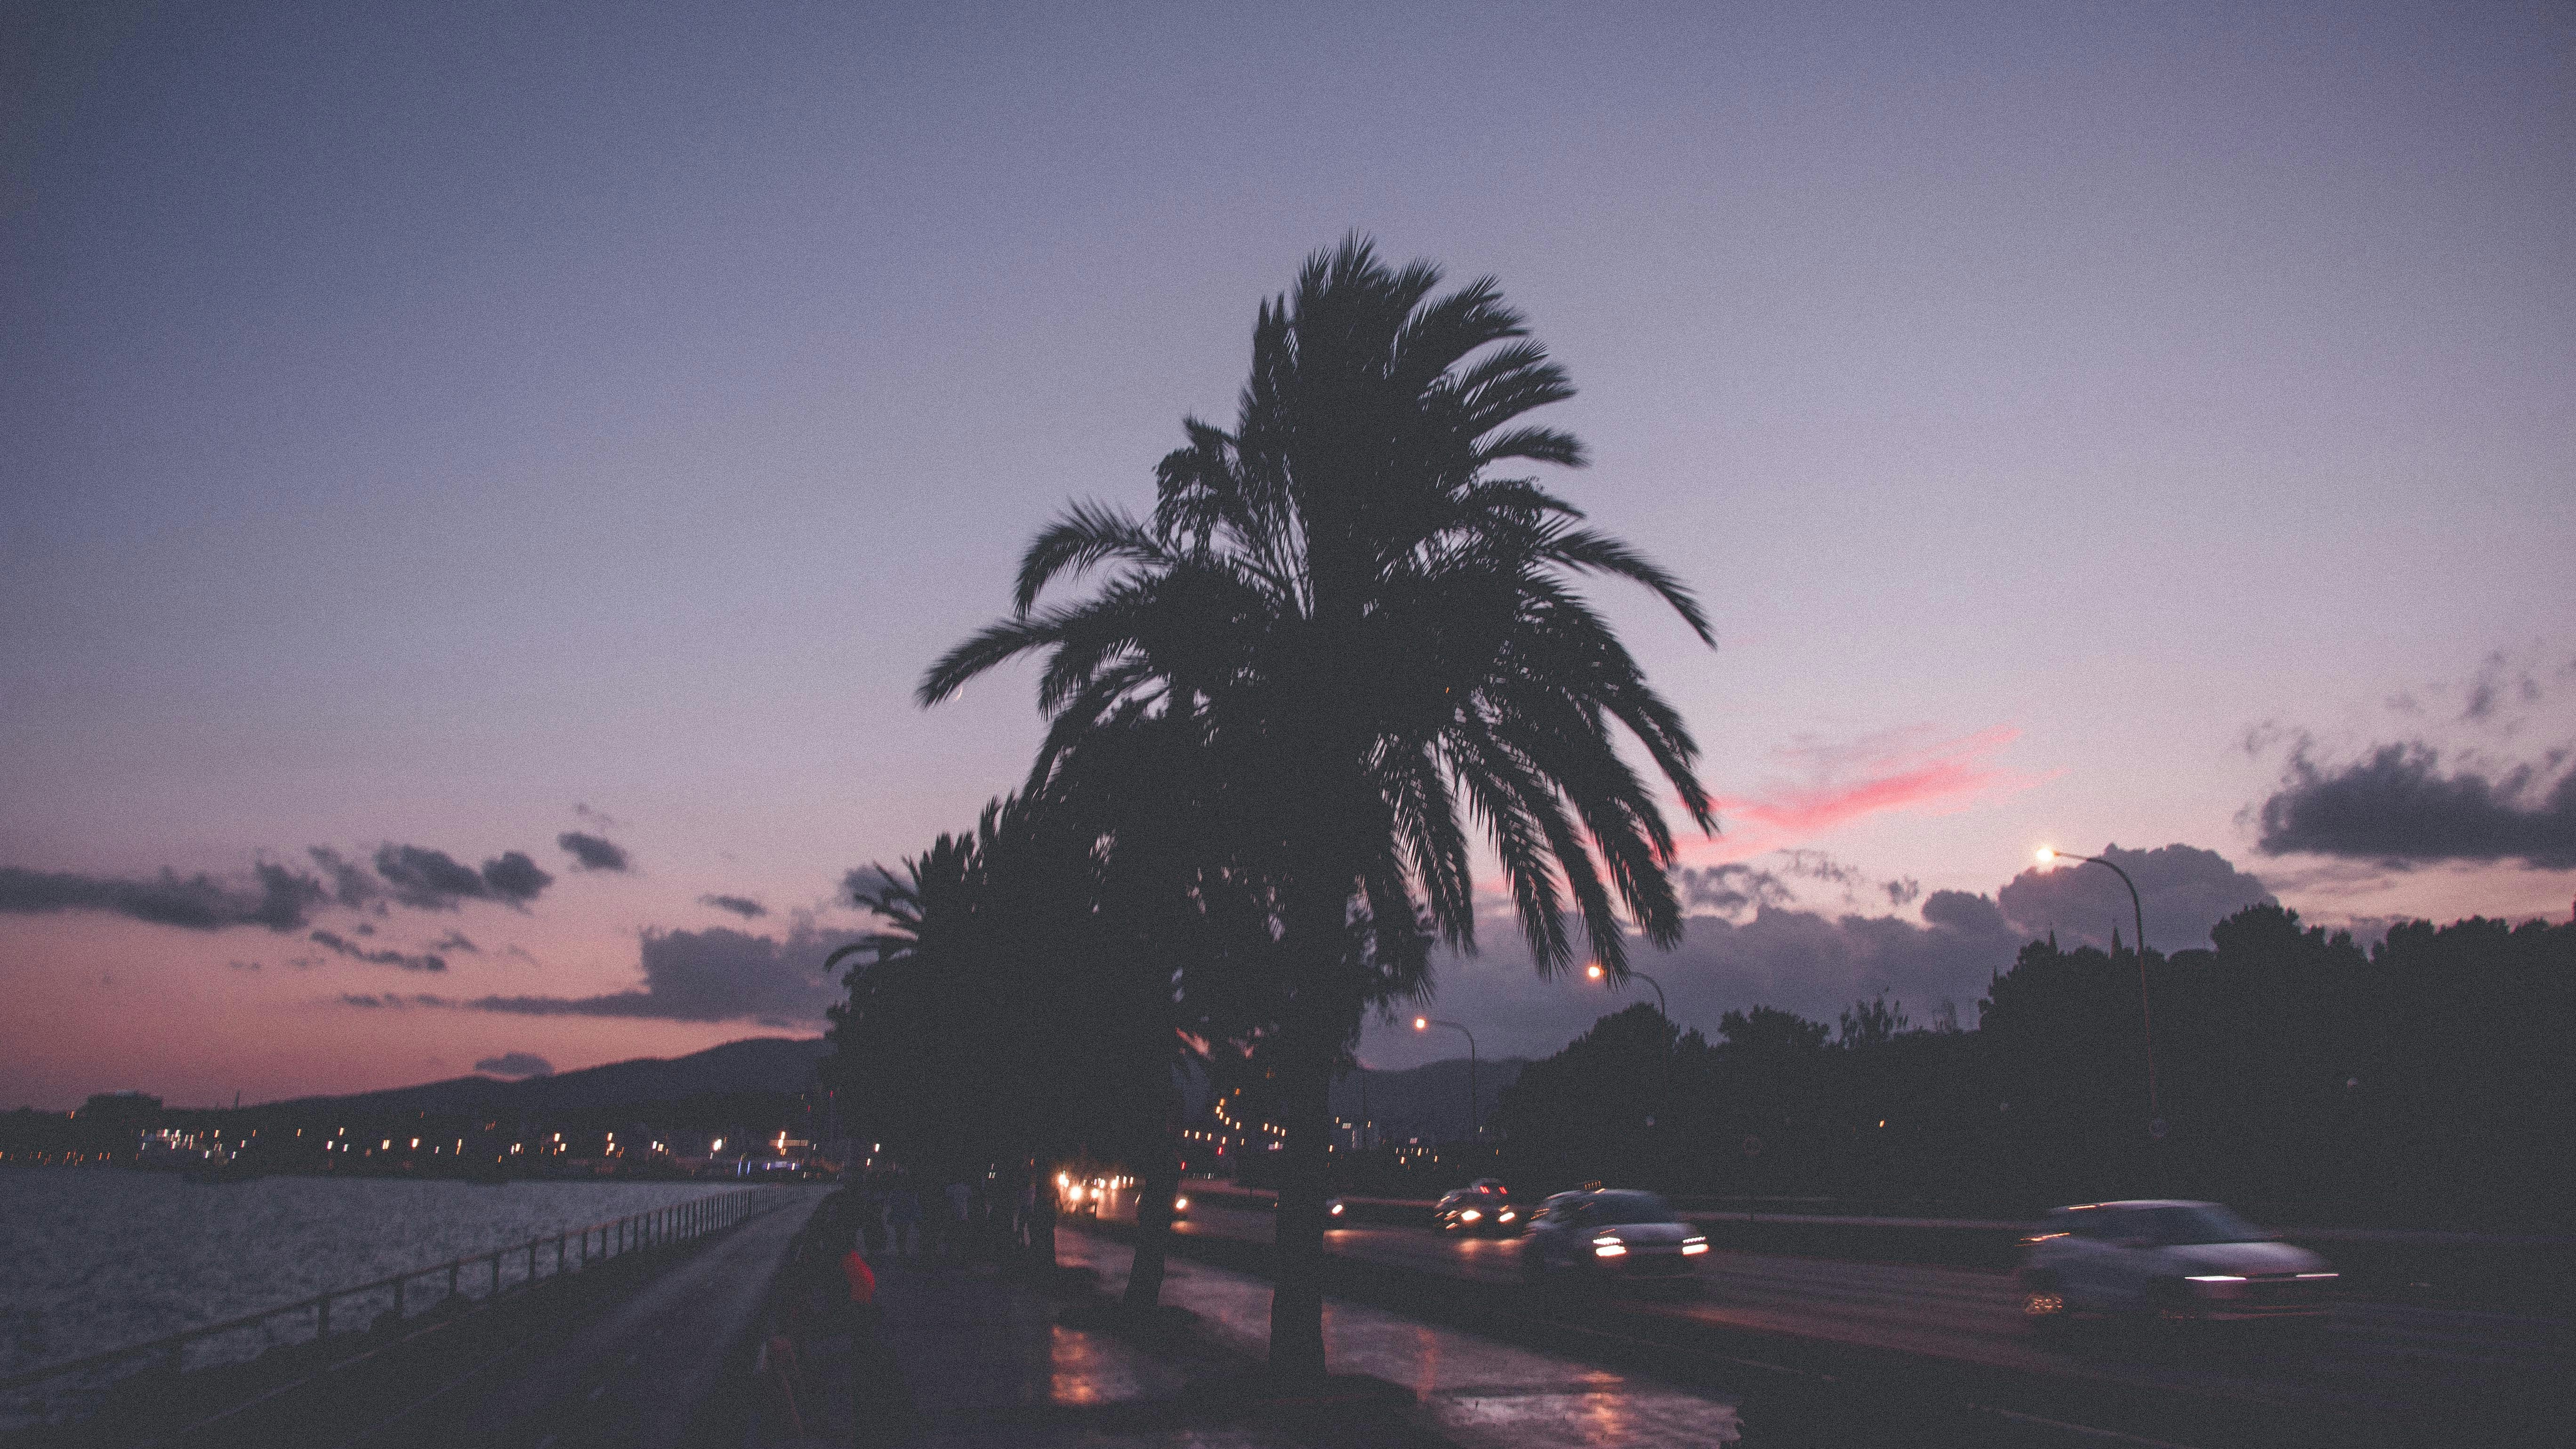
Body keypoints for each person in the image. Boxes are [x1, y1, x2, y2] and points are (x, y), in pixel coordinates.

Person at [838, 1236, 913, 1446]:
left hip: (859, 1307)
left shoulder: (845, 1264)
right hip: (863, 1306)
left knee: (863, 1368)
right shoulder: (855, 1261)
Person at [887, 1179, 921, 1258]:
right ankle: (902, 1250)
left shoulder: (895, 1193)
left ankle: (901, 1249)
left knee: (899, 1233)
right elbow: (912, 1204)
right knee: (904, 1233)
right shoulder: (909, 1193)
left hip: (898, 1214)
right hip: (905, 1215)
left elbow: (891, 1203)